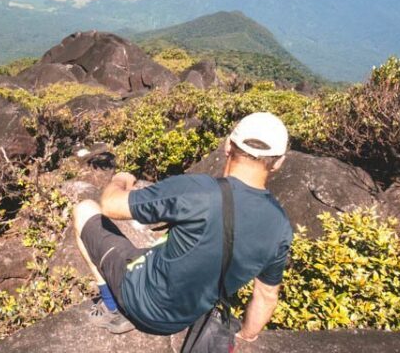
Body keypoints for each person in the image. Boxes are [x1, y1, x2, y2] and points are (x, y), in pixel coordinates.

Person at [72, 112, 293, 344]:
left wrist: (121, 178)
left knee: (85, 209)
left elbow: (109, 204)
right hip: (187, 315)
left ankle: (113, 308)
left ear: (228, 145)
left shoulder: (197, 189)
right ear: (278, 162)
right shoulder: (280, 226)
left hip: (142, 303)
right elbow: (266, 296)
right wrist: (246, 335)